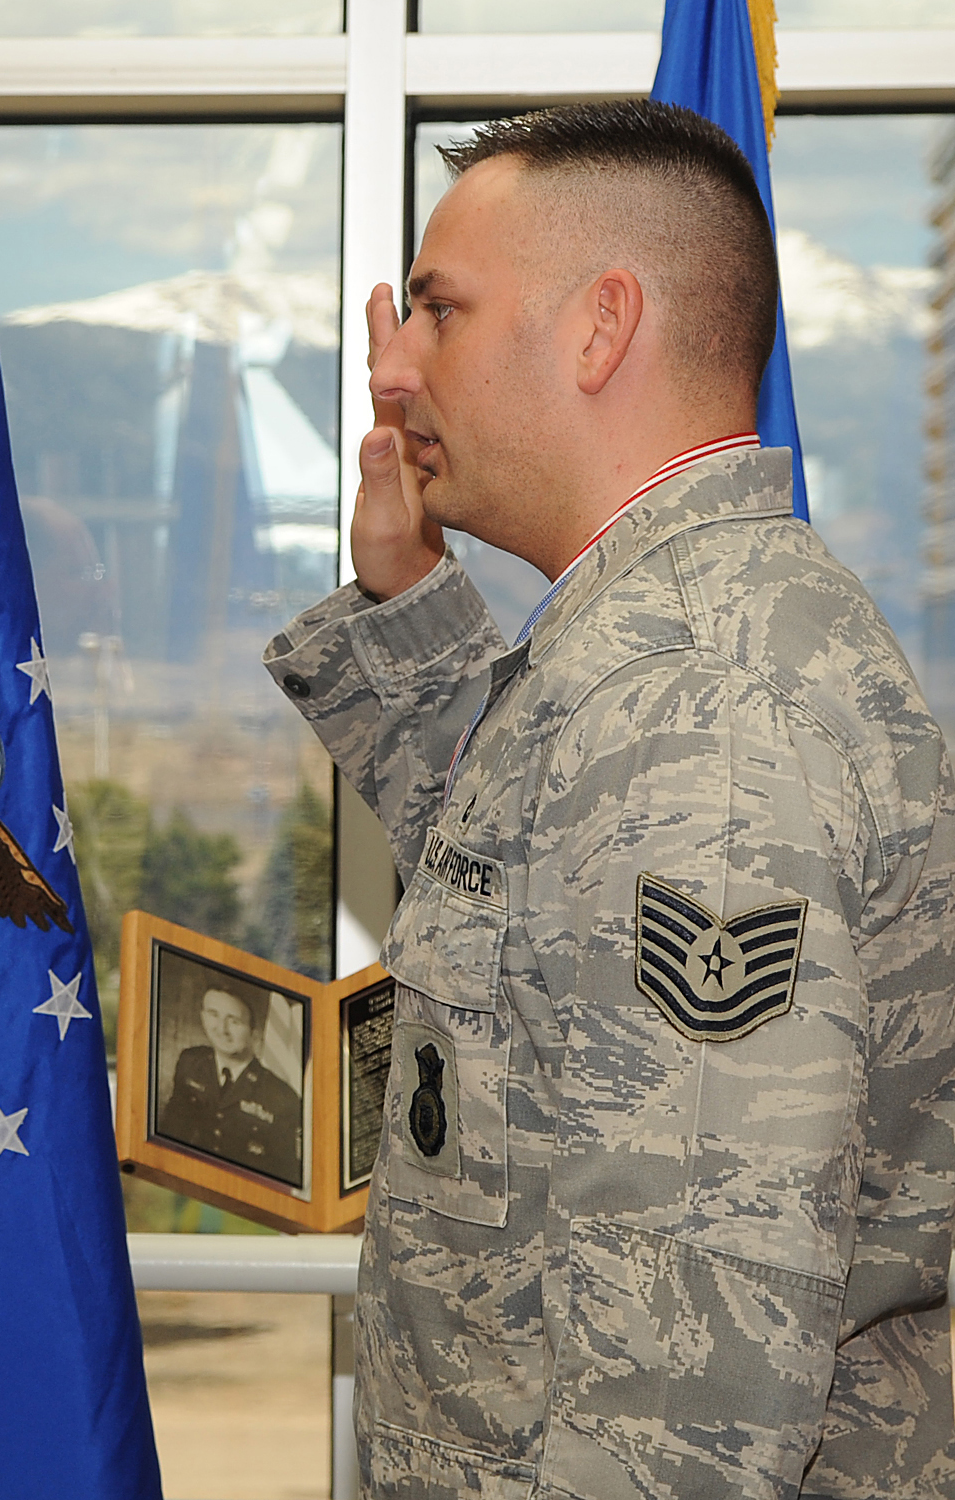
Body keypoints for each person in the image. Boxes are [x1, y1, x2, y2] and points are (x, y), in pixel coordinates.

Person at [265, 100, 955, 1498]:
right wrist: (406, 610)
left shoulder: (702, 710)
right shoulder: (658, 651)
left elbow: (688, 1407)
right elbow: (528, 908)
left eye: (439, 311)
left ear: (600, 327)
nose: (390, 367)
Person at [158, 986, 302, 1181]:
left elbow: (285, 1175)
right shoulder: (191, 1062)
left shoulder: (282, 1096)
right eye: (213, 1014)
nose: (222, 1029)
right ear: (202, 1016)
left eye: (234, 1021)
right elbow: (171, 1129)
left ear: (254, 1032)